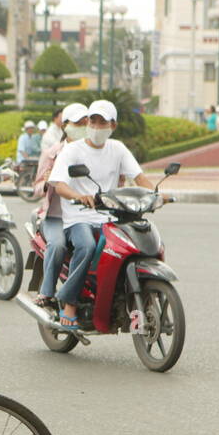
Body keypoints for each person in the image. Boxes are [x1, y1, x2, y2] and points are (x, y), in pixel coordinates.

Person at [50, 99, 160, 329]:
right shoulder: (72, 150)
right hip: (79, 217)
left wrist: (157, 194)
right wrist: (78, 196)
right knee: (87, 247)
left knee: (130, 247)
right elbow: (59, 184)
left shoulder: (117, 148)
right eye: (94, 121)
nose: (97, 126)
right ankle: (69, 301)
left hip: (110, 217)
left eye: (103, 122)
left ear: (113, 126)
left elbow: (139, 177)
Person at [32, 102, 88, 308]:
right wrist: (47, 182)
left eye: (86, 122)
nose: (84, 126)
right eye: (78, 123)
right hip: (56, 217)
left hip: (86, 216)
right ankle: (47, 292)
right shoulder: (52, 153)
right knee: (57, 245)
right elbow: (36, 187)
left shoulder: (93, 152)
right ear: (65, 125)